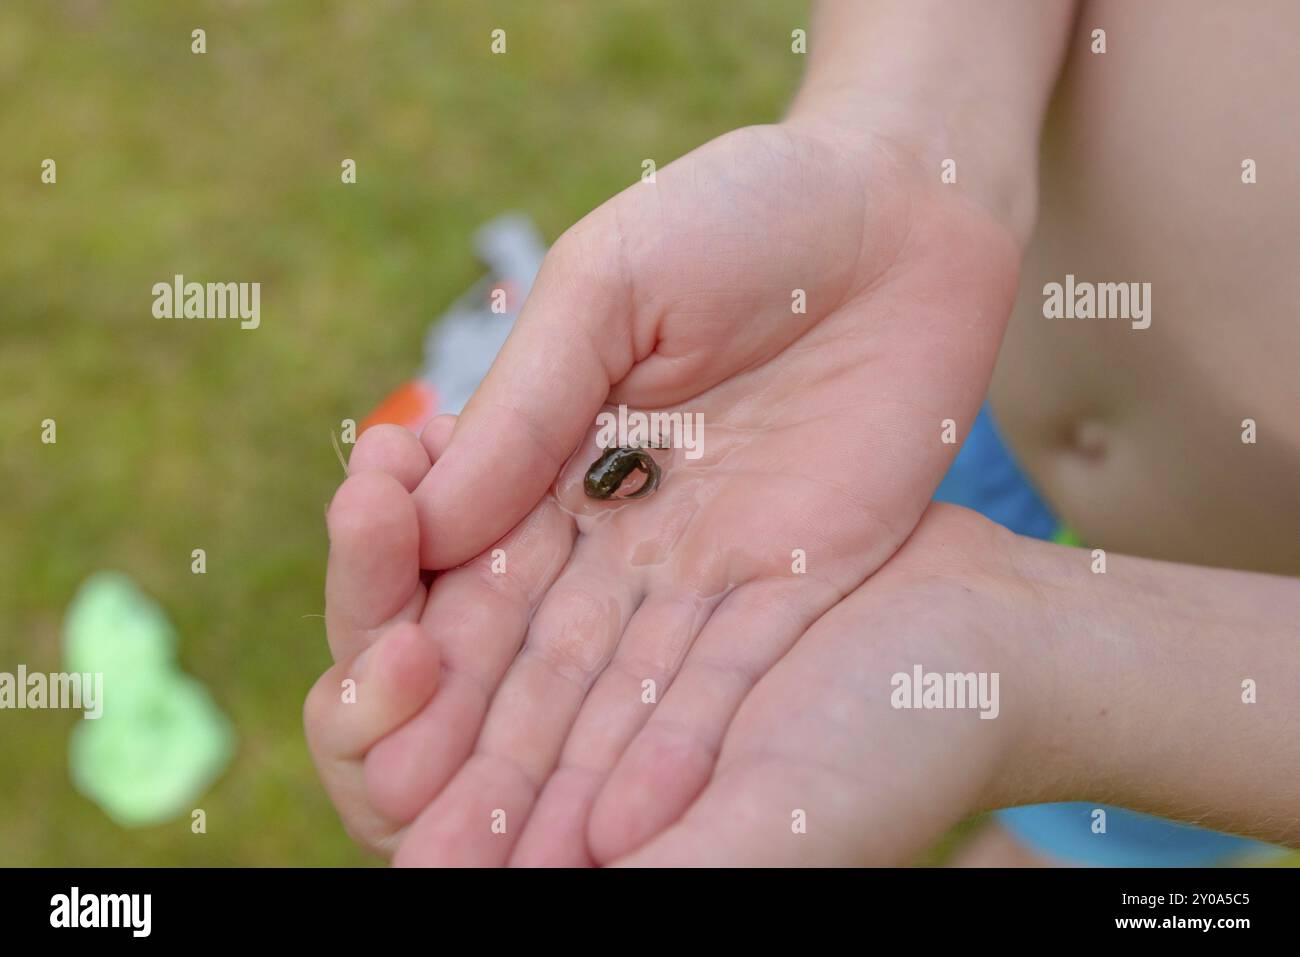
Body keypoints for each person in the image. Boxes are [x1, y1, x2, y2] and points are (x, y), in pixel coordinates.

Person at [304, 0, 1300, 866]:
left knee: (1109, 842)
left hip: (1216, 647)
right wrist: (895, 148)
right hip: (922, 382)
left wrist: (1045, 665)